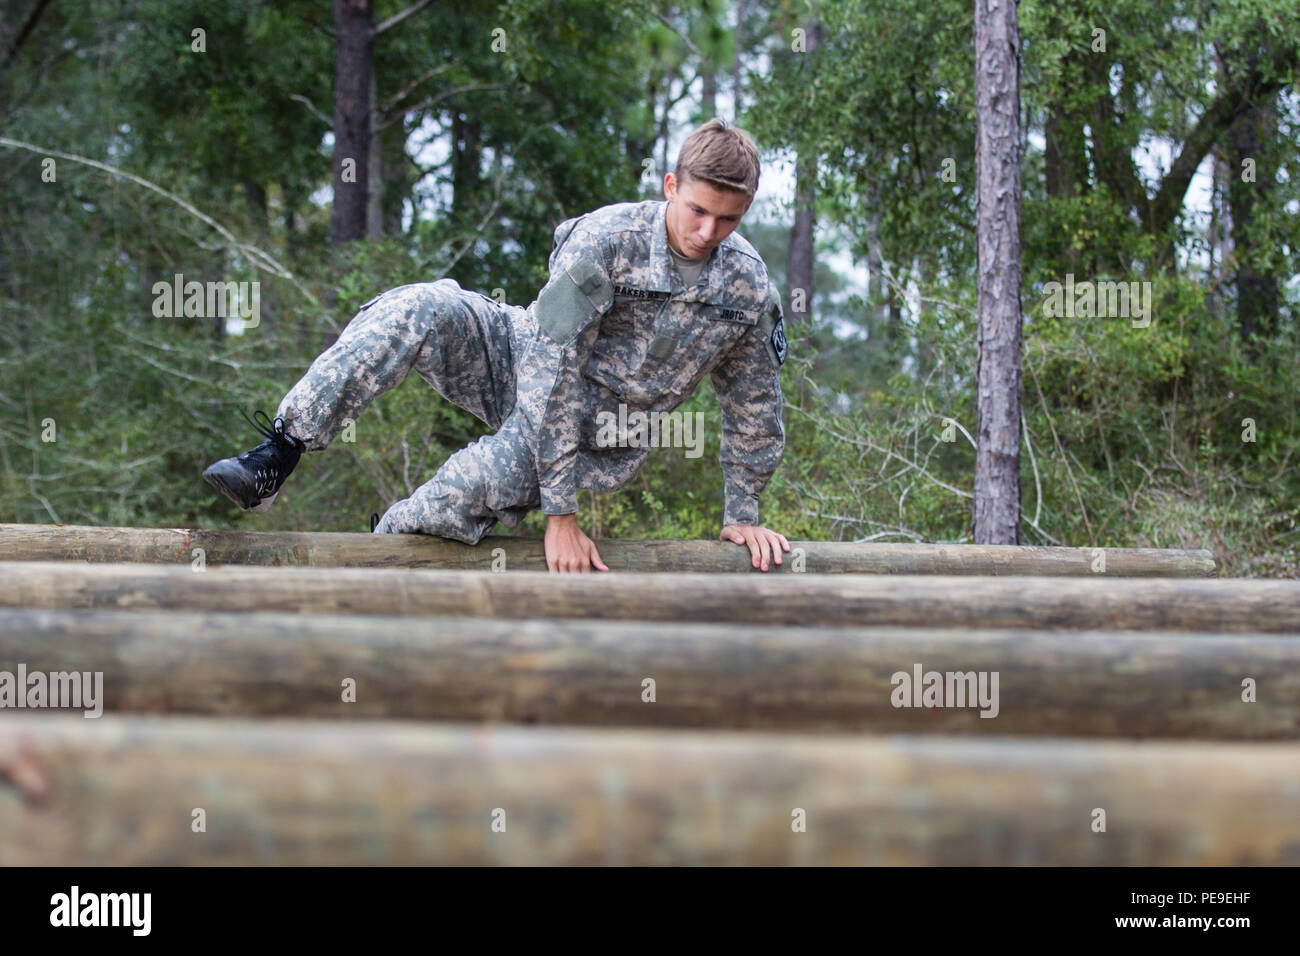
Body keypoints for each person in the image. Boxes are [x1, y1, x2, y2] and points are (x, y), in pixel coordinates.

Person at [203, 118, 790, 573]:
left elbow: (754, 407)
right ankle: (279, 451)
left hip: (595, 424)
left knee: (466, 493)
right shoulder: (606, 243)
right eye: (697, 210)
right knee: (419, 307)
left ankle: (385, 544)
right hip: (520, 350)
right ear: (670, 186)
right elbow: (552, 362)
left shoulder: (747, 288)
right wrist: (560, 516)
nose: (708, 232)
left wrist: (743, 516)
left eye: (728, 220)